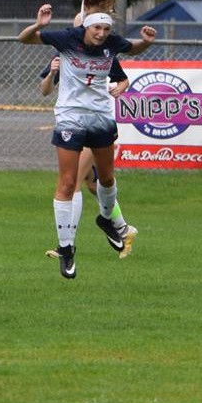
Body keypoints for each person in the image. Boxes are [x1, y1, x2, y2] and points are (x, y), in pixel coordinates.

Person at [17, 0, 156, 280]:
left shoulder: (110, 44)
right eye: (96, 27)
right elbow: (24, 40)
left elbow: (131, 48)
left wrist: (146, 44)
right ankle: (66, 249)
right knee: (68, 182)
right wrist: (38, 25)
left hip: (102, 120)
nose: (101, 33)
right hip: (70, 119)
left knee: (105, 180)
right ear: (85, 25)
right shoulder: (66, 39)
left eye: (106, 28)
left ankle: (110, 220)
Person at [38, 53, 138, 258]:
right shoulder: (65, 54)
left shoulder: (104, 55)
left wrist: (120, 87)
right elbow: (45, 91)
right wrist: (52, 73)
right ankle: (123, 229)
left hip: (95, 128)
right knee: (92, 185)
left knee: (72, 182)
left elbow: (122, 80)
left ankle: (65, 246)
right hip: (71, 127)